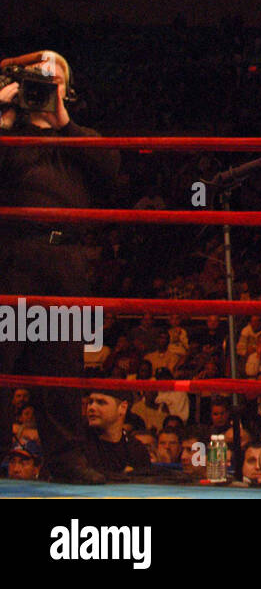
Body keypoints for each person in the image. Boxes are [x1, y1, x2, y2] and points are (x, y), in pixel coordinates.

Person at [0, 50, 119, 485]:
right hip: (12, 255)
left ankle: (66, 460)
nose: (45, 85)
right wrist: (5, 116)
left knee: (62, 364)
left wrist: (62, 119)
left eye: (54, 79)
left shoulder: (78, 139)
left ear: (67, 89)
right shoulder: (9, 134)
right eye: (38, 79)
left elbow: (111, 170)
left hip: (66, 261)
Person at [83, 390, 152, 476]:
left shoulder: (136, 449)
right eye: (90, 402)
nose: (91, 407)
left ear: (122, 407)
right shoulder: (79, 445)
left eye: (101, 402)